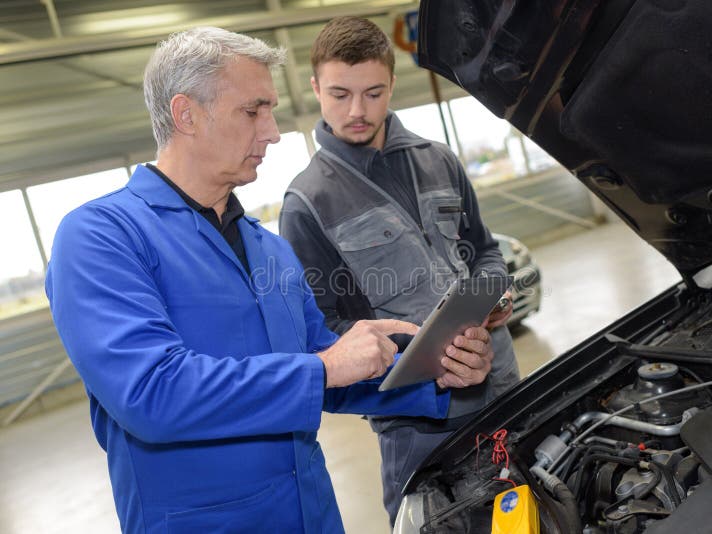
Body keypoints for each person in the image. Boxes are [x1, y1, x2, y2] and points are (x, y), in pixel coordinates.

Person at [45, 26, 496, 533]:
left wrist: (436, 370)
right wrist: (324, 367)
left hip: (312, 516)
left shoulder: (269, 249)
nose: (273, 131)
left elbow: (329, 369)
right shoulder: (102, 236)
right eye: (253, 110)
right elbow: (152, 393)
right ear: (185, 113)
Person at [279, 16, 521, 526]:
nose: (358, 111)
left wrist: (495, 292)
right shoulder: (307, 204)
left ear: (392, 83)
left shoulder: (439, 161)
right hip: (420, 422)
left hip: (504, 383)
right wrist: (423, 357)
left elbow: (484, 250)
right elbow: (325, 334)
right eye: (340, 94)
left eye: (373, 92)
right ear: (315, 87)